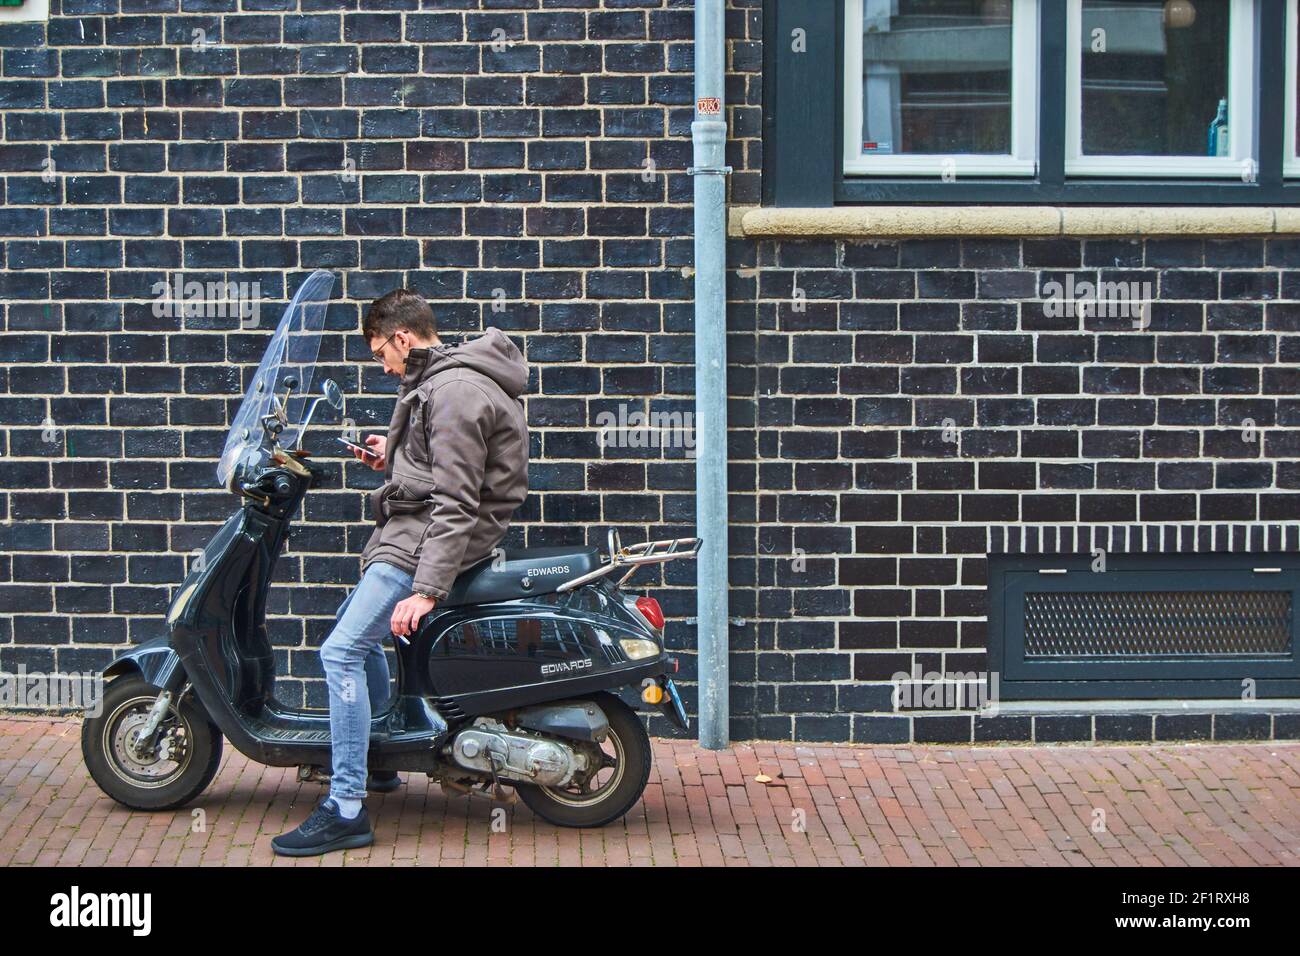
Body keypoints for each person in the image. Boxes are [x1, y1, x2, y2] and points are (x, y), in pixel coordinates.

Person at [272, 289, 529, 856]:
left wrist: (426, 590)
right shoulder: (442, 379)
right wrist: (388, 454)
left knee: (339, 652)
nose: (382, 365)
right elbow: (439, 462)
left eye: (380, 353)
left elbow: (459, 500)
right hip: (413, 533)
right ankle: (379, 759)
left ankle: (344, 808)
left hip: (421, 543)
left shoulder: (456, 390)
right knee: (355, 640)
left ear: (402, 338)